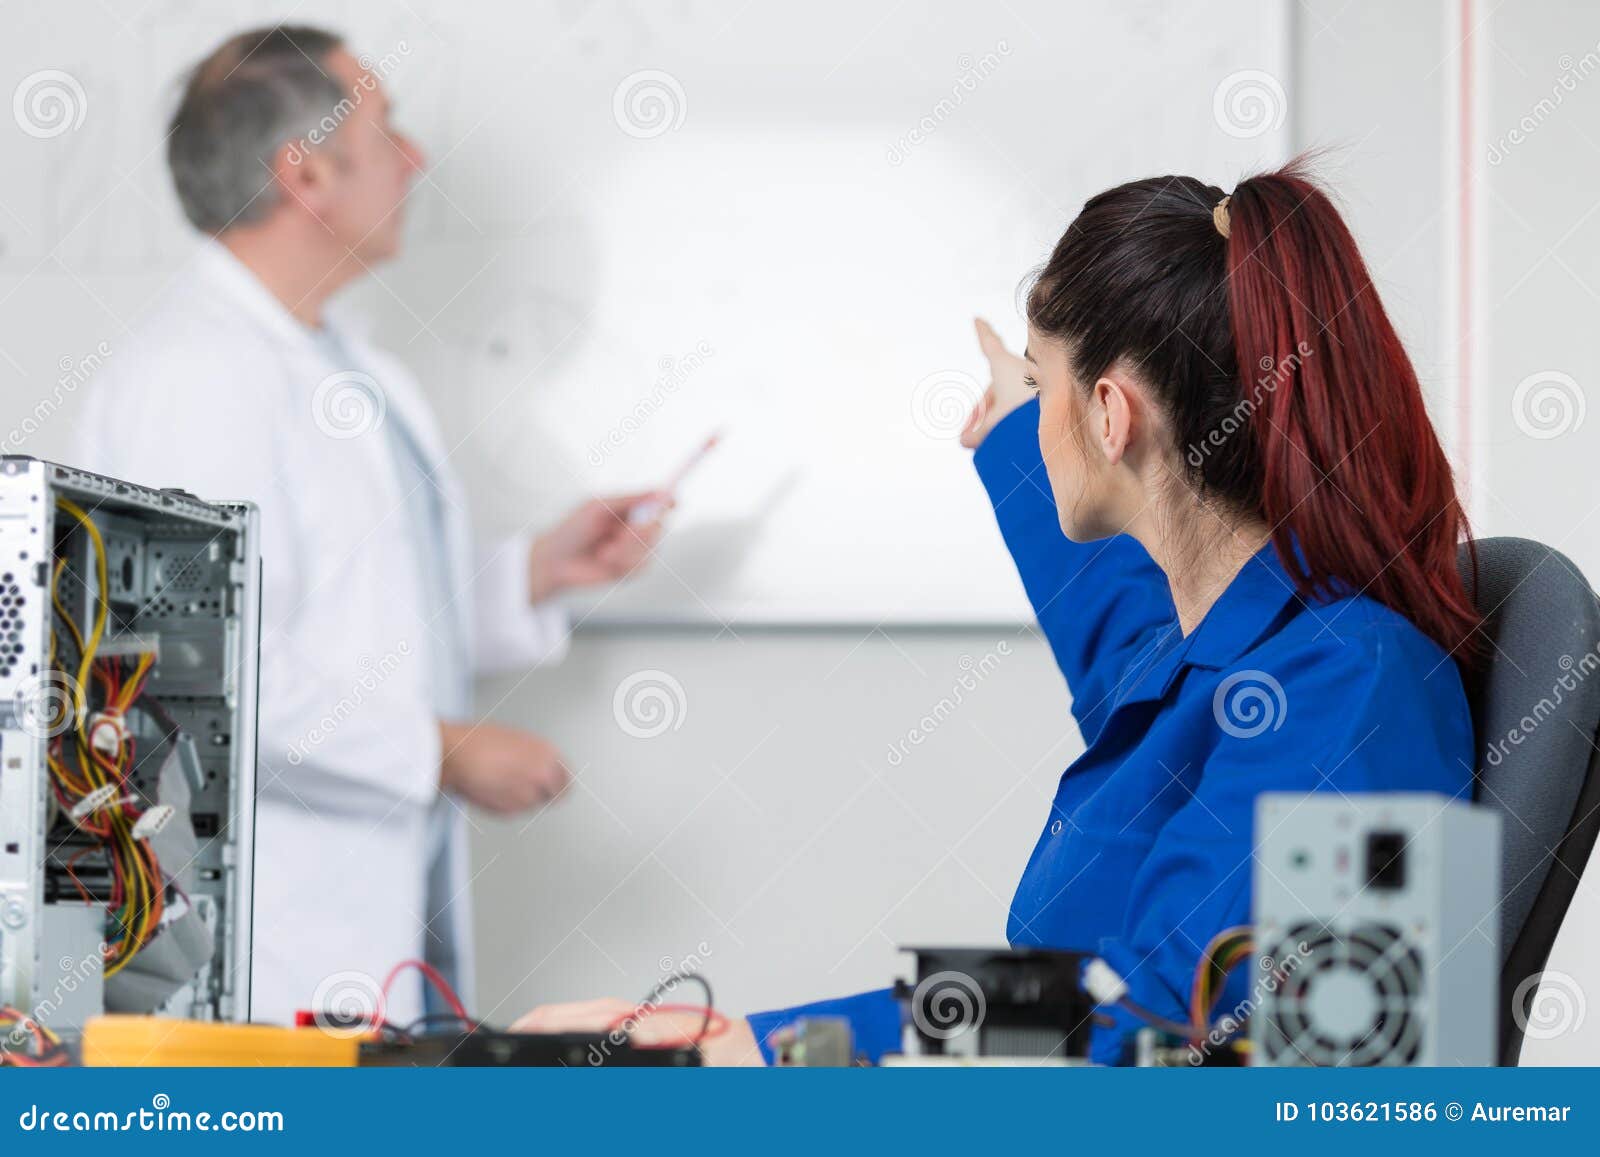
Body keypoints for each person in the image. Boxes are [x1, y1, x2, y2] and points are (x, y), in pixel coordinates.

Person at [513, 164, 1481, 1064]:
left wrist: (750, 1048)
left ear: (1110, 414)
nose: (1037, 404)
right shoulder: (1235, 654)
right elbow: (1118, 640)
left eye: (1041, 377)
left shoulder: (1349, 685)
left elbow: (1170, 1024)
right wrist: (1027, 422)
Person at [73, 26, 668, 1025]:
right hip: (259, 957)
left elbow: (360, 620)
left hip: (361, 929)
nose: (415, 157)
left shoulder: (345, 368)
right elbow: (187, 674)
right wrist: (439, 750)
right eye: (387, 129)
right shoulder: (195, 382)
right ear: (306, 172)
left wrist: (534, 572)